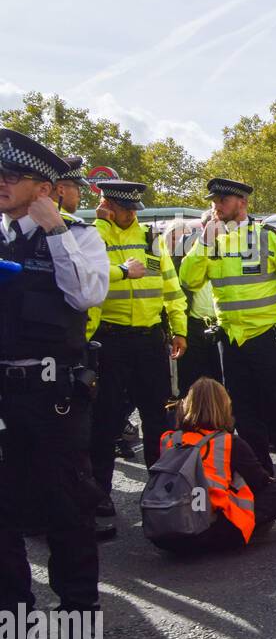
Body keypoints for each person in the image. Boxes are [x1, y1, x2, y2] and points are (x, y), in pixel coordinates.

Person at [0, 129, 109, 639]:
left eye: (11, 176)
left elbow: (87, 293)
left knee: (68, 510)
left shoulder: (78, 236)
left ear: (43, 188)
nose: (1, 183)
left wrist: (56, 229)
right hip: (4, 396)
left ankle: (78, 622)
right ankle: (13, 629)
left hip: (54, 396)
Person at [179, 177, 276, 507]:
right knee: (245, 416)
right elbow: (189, 278)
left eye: (222, 200)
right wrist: (204, 242)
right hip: (231, 340)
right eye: (213, 200)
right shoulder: (210, 240)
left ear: (241, 203)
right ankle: (264, 479)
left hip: (267, 337)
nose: (216, 205)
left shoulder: (270, 239)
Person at [87, 180, 186, 526]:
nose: (132, 216)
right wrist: (101, 223)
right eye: (125, 210)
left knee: (157, 419)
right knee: (106, 420)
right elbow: (89, 278)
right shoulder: (95, 236)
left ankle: (160, 491)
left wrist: (179, 328)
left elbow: (171, 289)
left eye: (133, 211)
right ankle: (99, 494)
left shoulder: (149, 239)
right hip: (111, 340)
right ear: (109, 207)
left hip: (148, 341)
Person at [150, 378, 276, 554]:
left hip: (165, 533)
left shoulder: (169, 439)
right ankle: (240, 530)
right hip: (206, 532)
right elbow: (260, 481)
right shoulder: (229, 443)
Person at [166, 218, 221, 394]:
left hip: (218, 327)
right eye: (176, 239)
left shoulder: (218, 255)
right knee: (192, 385)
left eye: (186, 237)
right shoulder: (176, 264)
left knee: (219, 383)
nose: (182, 242)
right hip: (192, 328)